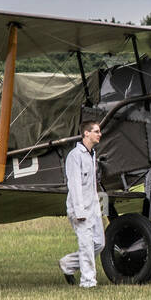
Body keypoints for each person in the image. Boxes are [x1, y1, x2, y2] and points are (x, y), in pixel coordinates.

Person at [59, 121, 104, 288]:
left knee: (99, 243)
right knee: (86, 245)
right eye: (96, 131)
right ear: (86, 133)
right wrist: (79, 211)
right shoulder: (75, 156)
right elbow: (75, 185)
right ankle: (88, 282)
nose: (99, 134)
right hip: (80, 209)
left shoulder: (92, 154)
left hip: (93, 208)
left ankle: (68, 264)